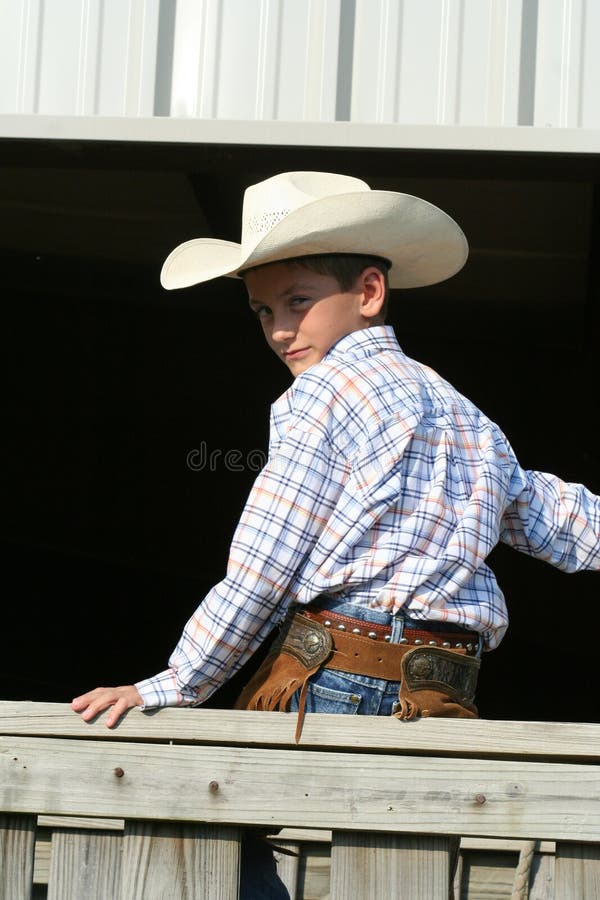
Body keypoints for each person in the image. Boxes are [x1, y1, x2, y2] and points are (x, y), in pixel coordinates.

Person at [72, 171, 600, 895]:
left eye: (298, 302)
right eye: (262, 311)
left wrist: (172, 684)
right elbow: (562, 524)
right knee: (397, 875)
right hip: (444, 692)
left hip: (336, 677)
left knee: (230, 853)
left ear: (370, 292)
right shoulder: (464, 413)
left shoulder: (318, 395)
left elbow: (263, 568)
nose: (281, 329)